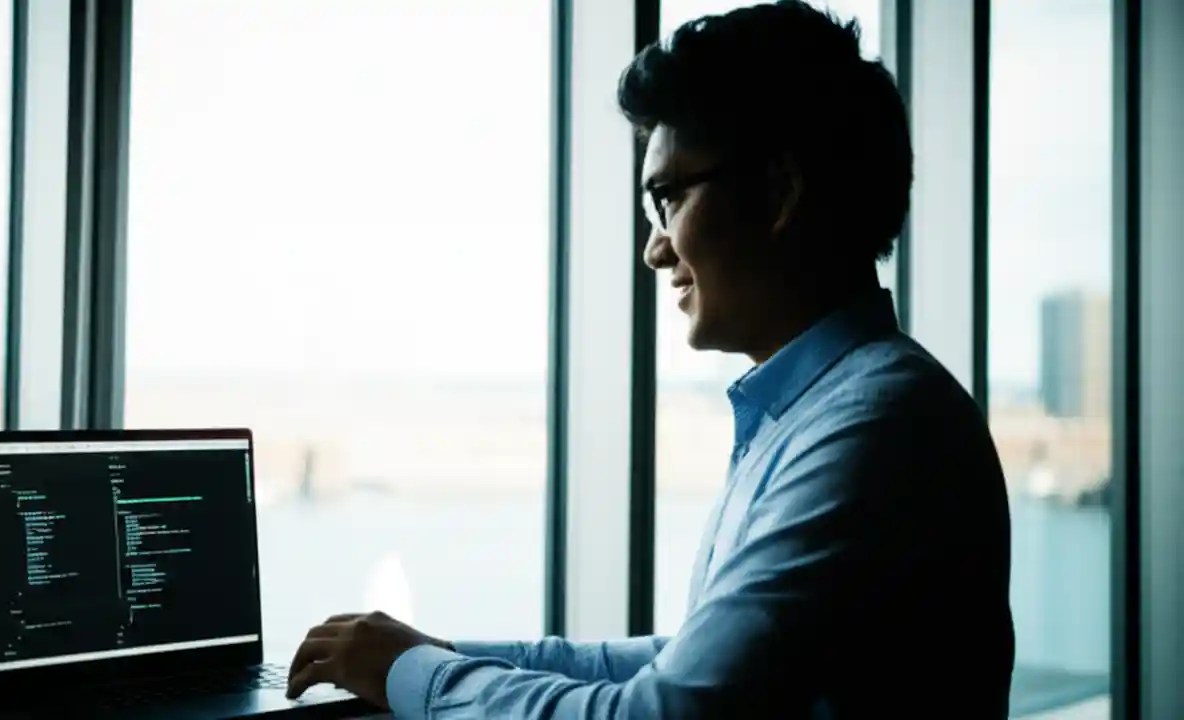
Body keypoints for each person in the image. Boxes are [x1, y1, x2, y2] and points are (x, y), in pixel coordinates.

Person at [286, 2, 1015, 716]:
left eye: (667, 197)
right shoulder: (831, 409)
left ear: (781, 191)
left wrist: (418, 676)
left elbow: (664, 711)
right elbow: (690, 662)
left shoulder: (873, 427)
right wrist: (435, 653)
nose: (655, 247)